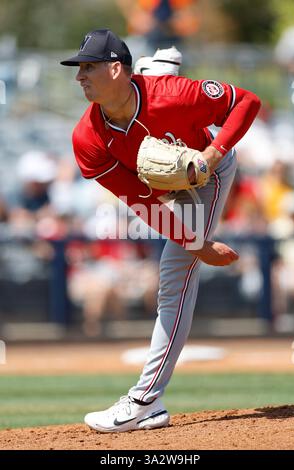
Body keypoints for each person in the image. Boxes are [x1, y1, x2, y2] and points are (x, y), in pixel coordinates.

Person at [61, 28, 261, 433]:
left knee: (173, 273)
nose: (79, 76)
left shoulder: (174, 95)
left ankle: (145, 400)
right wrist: (200, 244)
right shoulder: (87, 139)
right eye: (78, 68)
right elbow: (141, 200)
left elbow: (247, 102)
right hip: (161, 183)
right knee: (184, 251)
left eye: (89, 67)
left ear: (116, 69)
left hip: (207, 172)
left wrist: (212, 153)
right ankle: (156, 66)